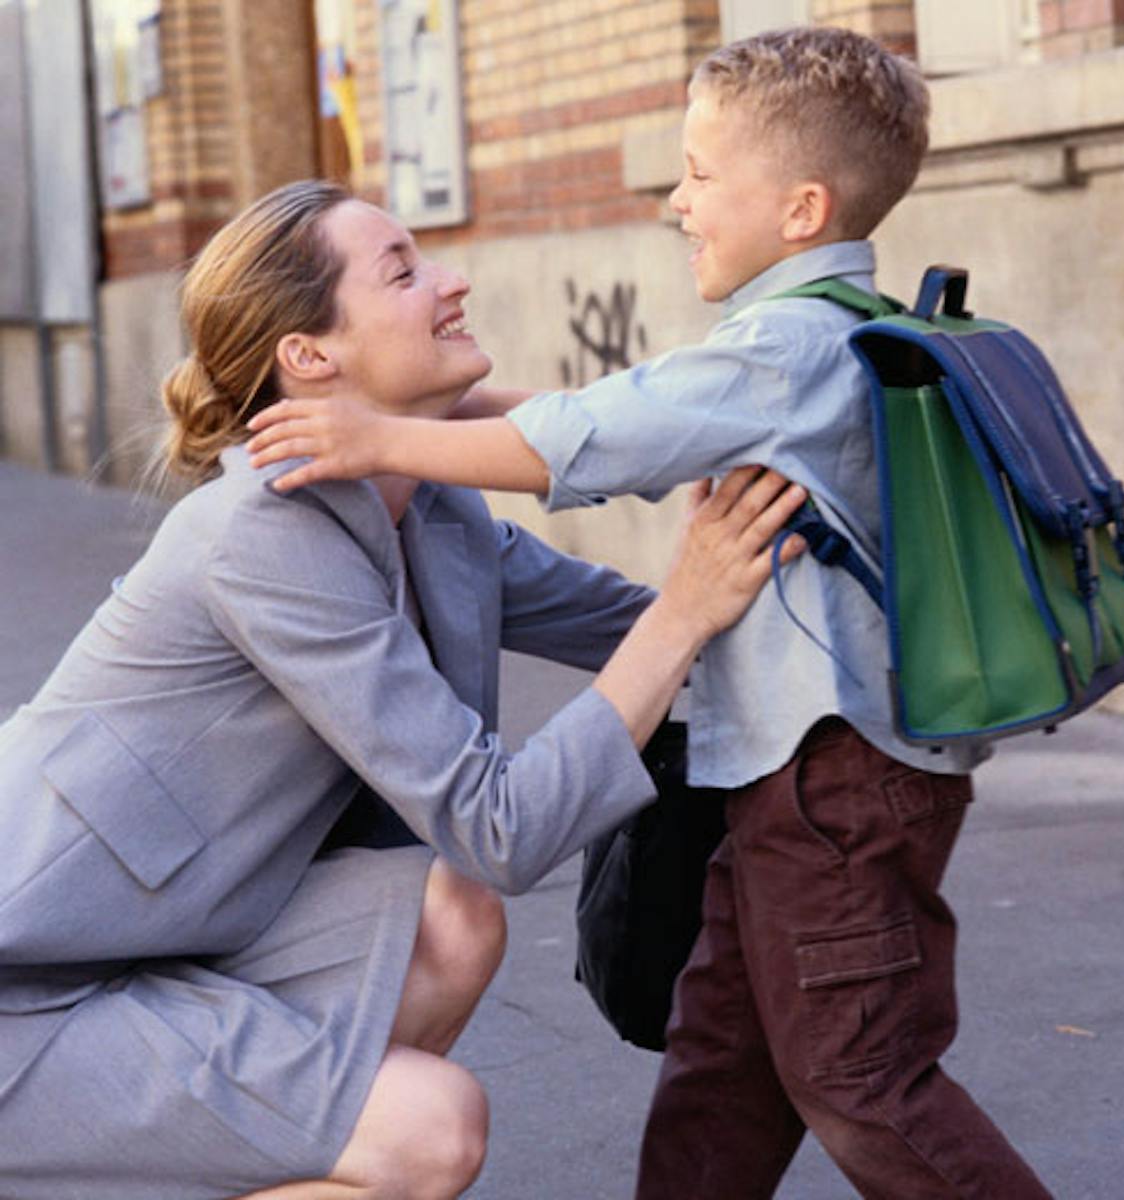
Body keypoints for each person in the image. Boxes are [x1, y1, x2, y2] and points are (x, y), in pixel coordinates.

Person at [245, 27, 1055, 1200]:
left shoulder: (784, 349)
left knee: (858, 1077)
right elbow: (627, 411)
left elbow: (589, 438)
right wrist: (435, 403)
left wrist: (377, 436)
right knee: (722, 1063)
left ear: (800, 208)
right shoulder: (818, 331)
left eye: (700, 173)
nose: (676, 199)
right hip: (796, 778)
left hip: (832, 784)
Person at [0, 179, 809, 1200]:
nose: (451, 280)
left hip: (175, 934)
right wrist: (687, 608)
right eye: (403, 272)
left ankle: (270, 1146)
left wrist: (774, 579)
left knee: (450, 917)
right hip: (27, 993)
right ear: (310, 356)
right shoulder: (259, 537)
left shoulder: (423, 508)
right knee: (431, 1129)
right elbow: (502, 822)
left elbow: (633, 622)